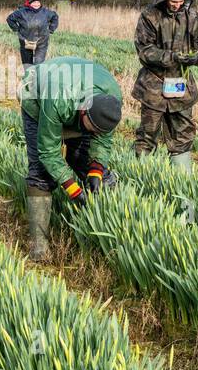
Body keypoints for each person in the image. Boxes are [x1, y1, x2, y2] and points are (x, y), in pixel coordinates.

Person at [20, 55, 123, 261]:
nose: (94, 134)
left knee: (83, 161)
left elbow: (102, 142)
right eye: (91, 129)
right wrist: (73, 189)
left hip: (76, 93)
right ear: (84, 111)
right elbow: (48, 152)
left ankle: (110, 228)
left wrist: (95, 170)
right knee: (41, 172)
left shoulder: (110, 102)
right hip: (39, 97)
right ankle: (39, 247)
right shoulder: (57, 99)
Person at [132, 0, 198, 170]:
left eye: (181, 1)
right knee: (147, 133)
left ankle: (181, 179)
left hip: (182, 87)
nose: (177, 5)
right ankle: (140, 174)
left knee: (183, 133)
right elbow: (144, 50)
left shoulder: (192, 17)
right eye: (173, 2)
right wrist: (172, 57)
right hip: (153, 86)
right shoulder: (150, 16)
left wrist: (197, 57)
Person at [6, 0, 59, 67]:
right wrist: (16, 29)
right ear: (29, 3)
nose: (36, 4)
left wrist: (51, 29)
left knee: (39, 65)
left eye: (38, 2)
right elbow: (10, 19)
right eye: (34, 2)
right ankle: (29, 78)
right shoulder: (21, 12)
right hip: (26, 41)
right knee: (28, 66)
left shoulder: (46, 12)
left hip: (42, 42)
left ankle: (38, 78)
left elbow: (55, 17)